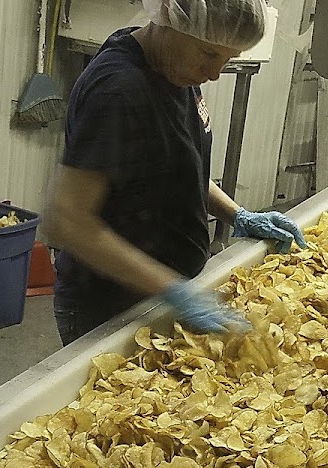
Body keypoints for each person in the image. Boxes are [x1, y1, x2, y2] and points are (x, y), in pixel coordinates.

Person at [43, 0, 307, 346]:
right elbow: (67, 218)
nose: (214, 73)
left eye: (228, 60)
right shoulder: (119, 90)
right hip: (111, 304)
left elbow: (179, 165)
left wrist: (239, 215)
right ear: (168, 19)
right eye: (210, 55)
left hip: (157, 294)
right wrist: (172, 289)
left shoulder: (173, 69)